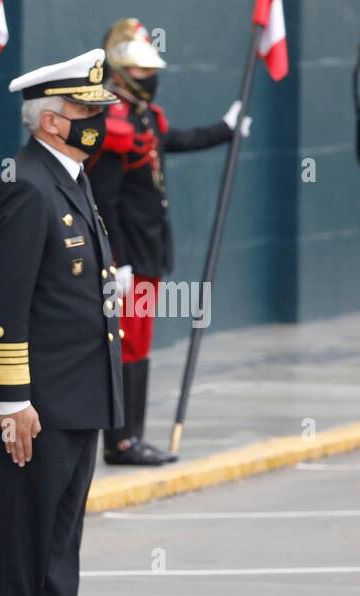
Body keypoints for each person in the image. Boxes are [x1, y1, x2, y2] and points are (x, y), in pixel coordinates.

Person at [0, 50, 124, 596]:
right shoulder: (26, 185)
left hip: (76, 399)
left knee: (58, 543)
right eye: (89, 113)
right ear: (52, 120)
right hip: (36, 407)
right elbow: (4, 301)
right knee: (25, 544)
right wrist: (12, 399)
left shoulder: (68, 180)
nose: (99, 123)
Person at [90, 17, 251, 465]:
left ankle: (133, 438)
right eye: (140, 73)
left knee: (139, 346)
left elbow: (172, 141)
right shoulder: (112, 119)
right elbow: (105, 198)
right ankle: (122, 442)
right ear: (120, 73)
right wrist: (116, 260)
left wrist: (224, 127)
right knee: (126, 346)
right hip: (128, 259)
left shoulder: (142, 115)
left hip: (148, 253)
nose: (149, 79)